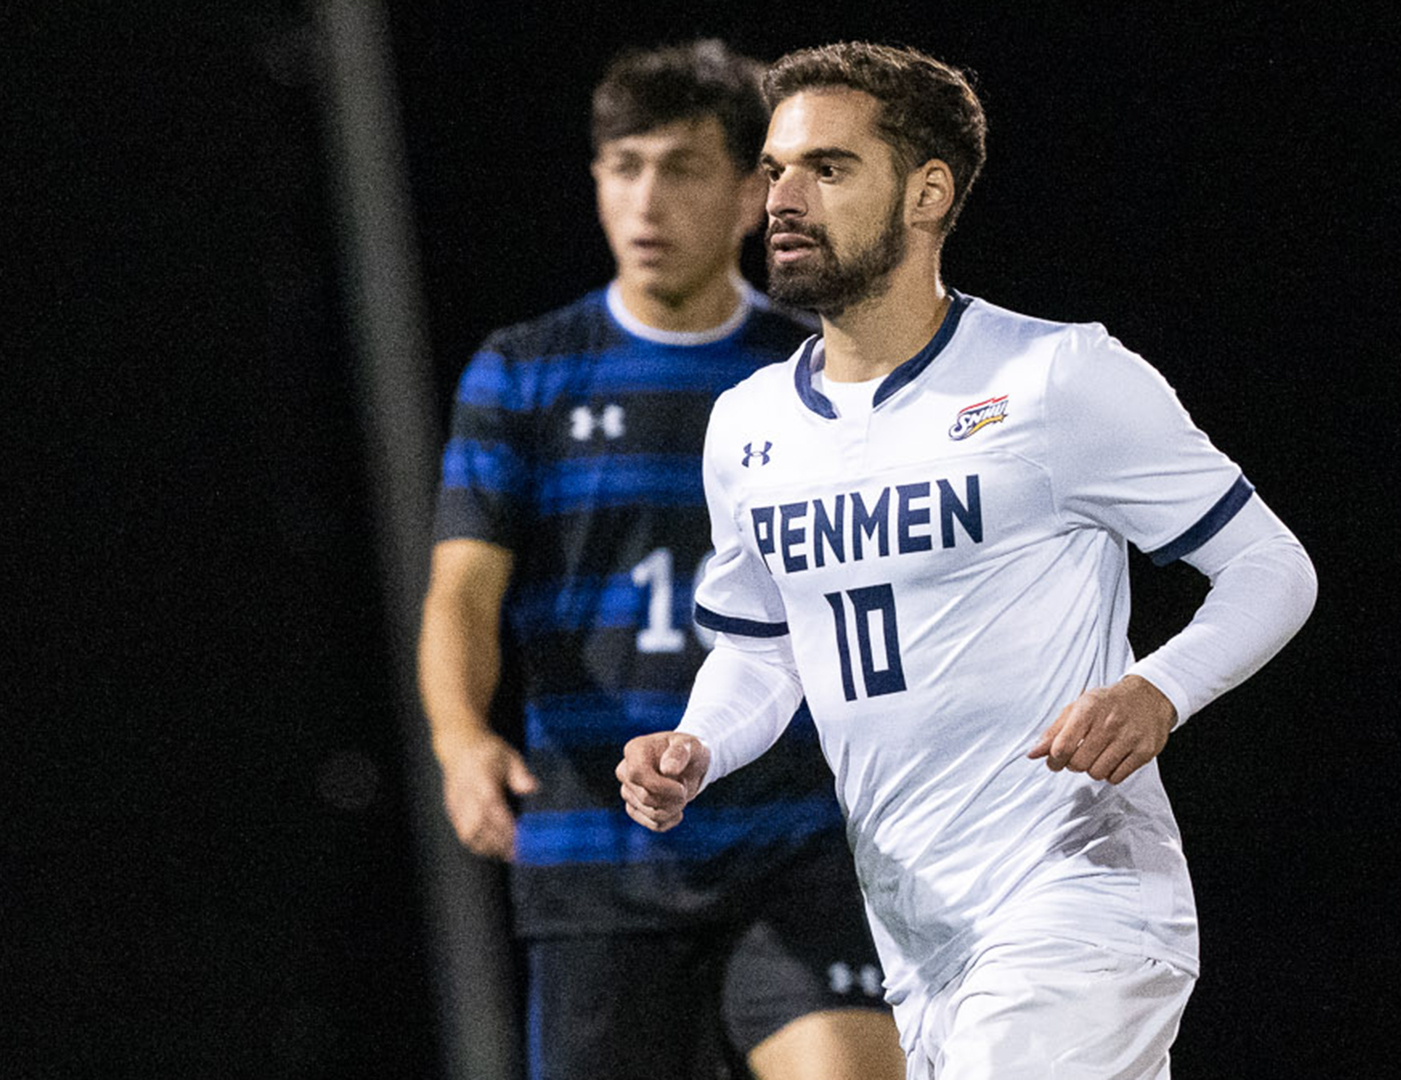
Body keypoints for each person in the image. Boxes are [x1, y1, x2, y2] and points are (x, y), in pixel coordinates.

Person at [615, 42, 1318, 1079]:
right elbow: (765, 648)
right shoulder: (749, 424)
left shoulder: (1057, 376)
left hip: (1078, 900)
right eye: (774, 169)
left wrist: (1156, 691)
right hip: (920, 941)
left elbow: (1271, 567)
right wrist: (698, 744)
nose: (783, 199)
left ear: (928, 192)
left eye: (829, 168)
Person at [418, 40, 904, 1080]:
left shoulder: (818, 372)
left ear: (750, 196)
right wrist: (461, 741)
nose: (646, 200)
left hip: (795, 842)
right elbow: (462, 590)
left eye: (680, 169)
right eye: (623, 167)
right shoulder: (523, 372)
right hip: (599, 857)